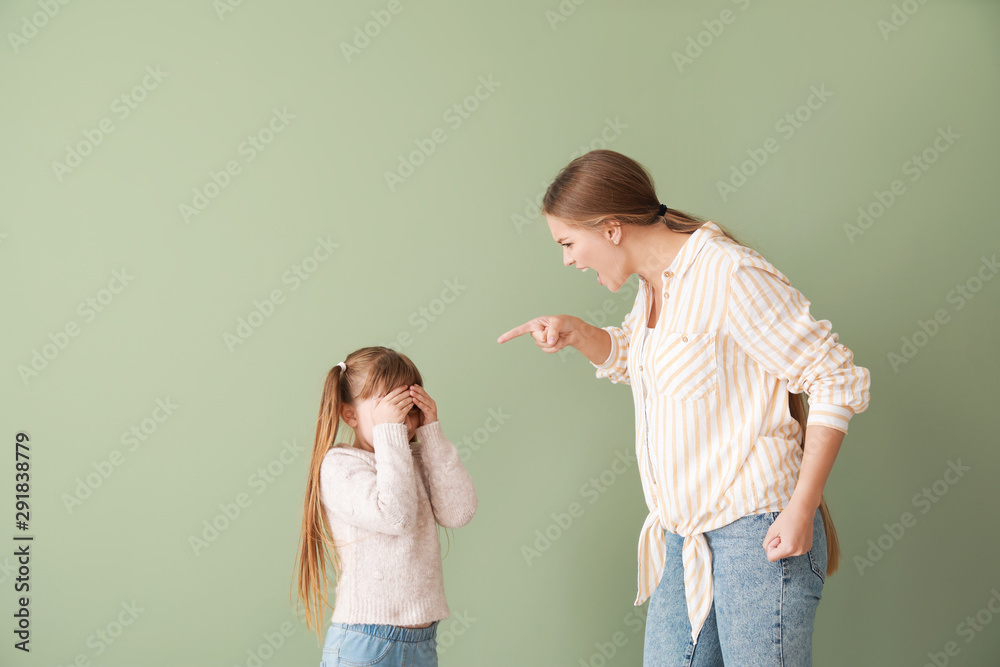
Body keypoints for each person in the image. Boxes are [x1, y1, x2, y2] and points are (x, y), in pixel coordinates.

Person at [498, 149, 871, 665]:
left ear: (611, 228)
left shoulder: (728, 274)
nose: (567, 259)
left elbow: (834, 378)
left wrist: (802, 506)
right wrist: (580, 333)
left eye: (567, 242)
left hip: (755, 536)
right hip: (684, 537)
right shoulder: (655, 286)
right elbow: (649, 362)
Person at [293, 346, 478, 667]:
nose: (404, 423)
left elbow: (458, 513)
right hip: (366, 641)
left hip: (422, 641)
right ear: (349, 414)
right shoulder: (340, 465)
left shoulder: (417, 458)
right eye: (390, 411)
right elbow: (395, 515)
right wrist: (389, 432)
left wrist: (431, 431)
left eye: (409, 409)